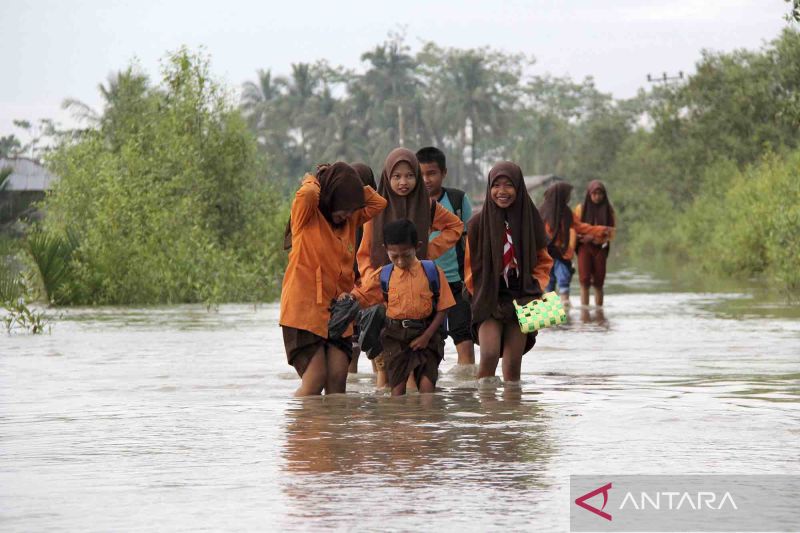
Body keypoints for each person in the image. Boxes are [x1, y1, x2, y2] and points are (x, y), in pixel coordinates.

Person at [356, 147, 463, 388]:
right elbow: (363, 252)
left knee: (417, 369)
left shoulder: (428, 205)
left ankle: (414, 421)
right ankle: (392, 422)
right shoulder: (377, 208)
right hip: (382, 289)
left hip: (418, 288)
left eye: (409, 175)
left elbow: (455, 228)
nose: (403, 182)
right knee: (385, 369)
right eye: (396, 176)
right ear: (387, 177)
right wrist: (369, 277)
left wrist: (427, 253)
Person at [280, 162, 387, 396]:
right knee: (316, 378)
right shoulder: (307, 215)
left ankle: (333, 432)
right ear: (331, 196)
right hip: (303, 312)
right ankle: (300, 429)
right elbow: (307, 193)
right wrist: (317, 178)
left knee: (338, 380)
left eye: (351, 209)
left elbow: (379, 202)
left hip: (338, 312)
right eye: (344, 207)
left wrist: (354, 188)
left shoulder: (349, 219)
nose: (348, 215)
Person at [464, 162, 553, 383]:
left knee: (513, 365)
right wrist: (481, 294)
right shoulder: (476, 224)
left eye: (508, 185)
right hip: (488, 297)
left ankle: (512, 413)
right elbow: (469, 269)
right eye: (496, 185)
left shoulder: (532, 221)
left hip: (524, 296)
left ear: (519, 188)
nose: (502, 191)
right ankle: (486, 413)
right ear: (489, 188)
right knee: (489, 355)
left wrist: (535, 287)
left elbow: (544, 261)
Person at [349, 219, 455, 396]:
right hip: (395, 339)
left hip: (427, 336)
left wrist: (427, 336)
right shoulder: (384, 275)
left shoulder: (432, 272)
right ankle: (399, 422)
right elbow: (363, 294)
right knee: (397, 391)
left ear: (418, 247)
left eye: (406, 255)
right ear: (386, 250)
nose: (400, 261)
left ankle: (429, 422)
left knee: (427, 388)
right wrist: (349, 296)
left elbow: (444, 307)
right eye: (394, 256)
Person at [417, 146, 475, 368]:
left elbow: (471, 239)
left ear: (444, 173)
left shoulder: (458, 200)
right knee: (431, 340)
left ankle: (465, 391)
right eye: (420, 174)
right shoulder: (410, 204)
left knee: (464, 336)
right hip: (425, 284)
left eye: (431, 173)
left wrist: (472, 278)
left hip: (457, 282)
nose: (426, 179)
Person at [539, 181, 610, 306]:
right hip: (546, 257)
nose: (569, 197)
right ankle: (551, 322)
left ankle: (565, 322)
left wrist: (600, 229)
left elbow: (580, 227)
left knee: (563, 285)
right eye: (567, 194)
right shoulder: (542, 212)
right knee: (548, 288)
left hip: (561, 256)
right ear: (560, 195)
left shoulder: (566, 212)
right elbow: (541, 237)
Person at [348, 162, 378, 374]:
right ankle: (352, 393)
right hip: (347, 288)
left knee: (374, 345)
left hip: (370, 285)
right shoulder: (342, 214)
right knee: (350, 348)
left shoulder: (377, 213)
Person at [574, 180, 616, 307]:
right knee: (584, 280)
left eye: (600, 193)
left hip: (600, 248)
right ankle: (585, 312)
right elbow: (574, 228)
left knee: (599, 281)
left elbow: (611, 232)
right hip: (584, 248)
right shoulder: (580, 209)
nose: (597, 196)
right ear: (589, 194)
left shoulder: (609, 210)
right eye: (594, 193)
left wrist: (593, 238)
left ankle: (599, 311)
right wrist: (583, 237)